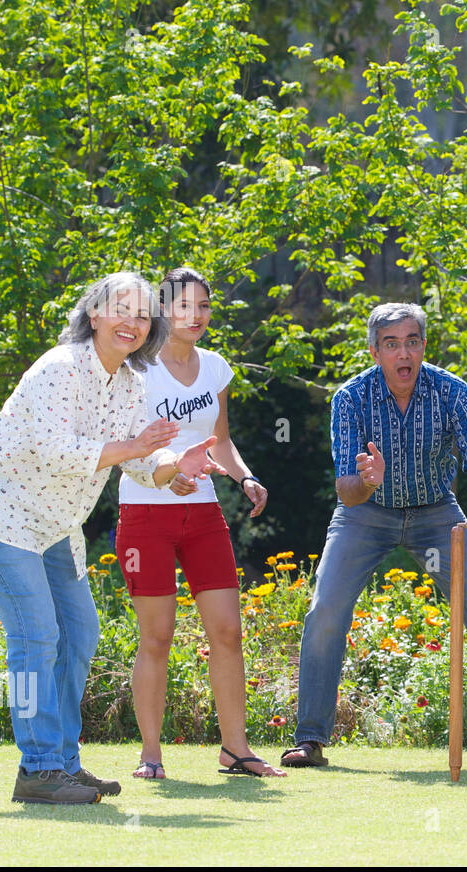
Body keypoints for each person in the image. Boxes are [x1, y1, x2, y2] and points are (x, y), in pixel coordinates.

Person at [0, 272, 224, 804]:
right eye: (121, 309)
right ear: (94, 313)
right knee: (35, 638)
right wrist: (137, 448)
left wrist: (175, 463)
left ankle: (64, 765)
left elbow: (142, 460)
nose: (133, 322)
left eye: (143, 315)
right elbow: (58, 450)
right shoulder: (59, 367)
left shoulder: (131, 382)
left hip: (55, 525)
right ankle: (39, 770)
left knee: (79, 634)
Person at [281, 302, 467, 768]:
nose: (403, 353)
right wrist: (366, 482)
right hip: (366, 514)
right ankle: (310, 739)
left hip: (436, 513)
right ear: (375, 352)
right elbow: (346, 491)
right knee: (325, 609)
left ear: (424, 346)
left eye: (411, 342)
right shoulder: (351, 398)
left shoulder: (453, 392)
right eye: (391, 344)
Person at [116, 267, 283, 779]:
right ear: (163, 310)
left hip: (205, 512)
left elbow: (221, 441)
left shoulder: (216, 367)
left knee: (228, 631)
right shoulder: (136, 368)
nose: (196, 316)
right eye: (184, 306)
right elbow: (128, 447)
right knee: (157, 637)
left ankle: (236, 750)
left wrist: (245, 477)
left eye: (204, 306)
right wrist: (169, 476)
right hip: (145, 511)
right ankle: (151, 754)